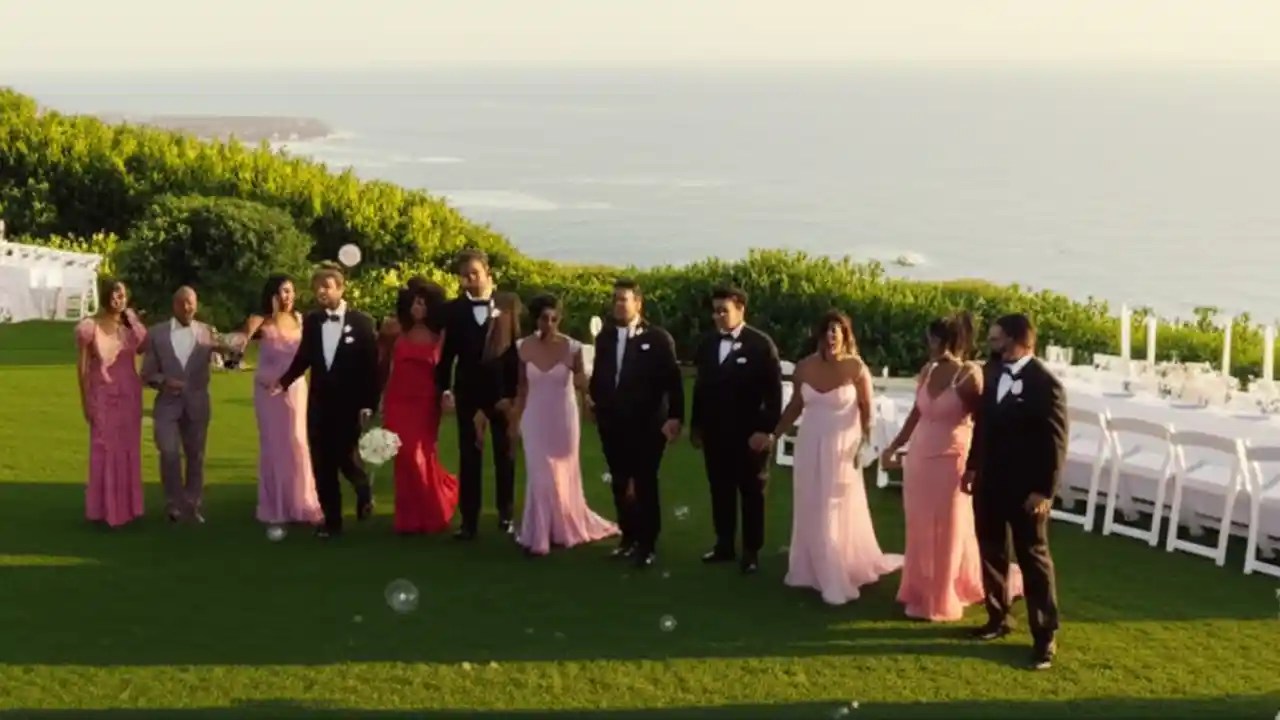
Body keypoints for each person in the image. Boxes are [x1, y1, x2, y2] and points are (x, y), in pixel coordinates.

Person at [883, 313, 1023, 622]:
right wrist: (894, 446)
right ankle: (919, 587)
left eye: (935, 338)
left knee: (948, 527)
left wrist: (978, 464)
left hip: (951, 461)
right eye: (930, 338)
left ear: (951, 341)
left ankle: (943, 592)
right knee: (919, 524)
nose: (930, 344)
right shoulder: (927, 370)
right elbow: (915, 415)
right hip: (919, 458)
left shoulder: (969, 375)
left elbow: (984, 421)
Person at [768, 310, 901, 604]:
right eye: (826, 331)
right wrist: (774, 434)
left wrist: (865, 442)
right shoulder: (804, 367)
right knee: (810, 503)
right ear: (818, 336)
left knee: (832, 506)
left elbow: (867, 407)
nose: (831, 337)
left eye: (836, 331)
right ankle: (809, 566)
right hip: (809, 444)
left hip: (842, 447)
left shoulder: (855, 367)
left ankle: (834, 570)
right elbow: (794, 407)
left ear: (844, 336)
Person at [965, 313, 1067, 670]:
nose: (991, 346)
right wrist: (972, 467)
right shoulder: (991, 372)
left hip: (1027, 492)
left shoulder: (1045, 383)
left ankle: (1044, 636)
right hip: (990, 483)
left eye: (996, 340)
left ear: (1017, 340)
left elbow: (1056, 443)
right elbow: (983, 427)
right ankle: (998, 617)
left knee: (1033, 559)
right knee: (991, 551)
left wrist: (1044, 491)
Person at [274, 266, 380, 539]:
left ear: (341, 289)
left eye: (327, 286)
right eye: (317, 287)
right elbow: (305, 357)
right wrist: (283, 381)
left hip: (350, 405)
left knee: (345, 458)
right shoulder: (312, 321)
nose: (321, 291)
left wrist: (369, 404)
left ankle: (362, 488)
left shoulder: (362, 322)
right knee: (322, 463)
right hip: (320, 404)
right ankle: (332, 522)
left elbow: (371, 367)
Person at [509, 293, 619, 556]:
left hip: (563, 418)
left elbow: (582, 385)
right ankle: (539, 534)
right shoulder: (522, 347)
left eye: (554, 318)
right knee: (540, 474)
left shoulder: (573, 348)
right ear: (535, 319)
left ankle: (561, 526)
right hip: (534, 417)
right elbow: (521, 389)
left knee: (561, 473)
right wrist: (514, 421)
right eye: (544, 319)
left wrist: (589, 402)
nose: (549, 324)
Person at [587, 279, 684, 568]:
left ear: (638, 303)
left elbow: (673, 381)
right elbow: (601, 374)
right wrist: (596, 401)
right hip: (612, 422)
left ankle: (647, 543)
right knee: (619, 482)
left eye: (624, 299)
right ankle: (627, 538)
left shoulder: (657, 338)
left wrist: (675, 417)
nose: (618, 304)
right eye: (615, 299)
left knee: (644, 482)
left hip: (647, 424)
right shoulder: (604, 336)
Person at [690, 285, 782, 574]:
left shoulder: (760, 345)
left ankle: (752, 551)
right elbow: (701, 388)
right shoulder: (706, 344)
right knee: (720, 490)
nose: (718, 316)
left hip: (749, 436)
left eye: (723, 310)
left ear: (740, 309)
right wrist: (697, 425)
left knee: (752, 492)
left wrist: (765, 430)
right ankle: (724, 544)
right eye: (715, 311)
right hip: (716, 433)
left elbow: (774, 394)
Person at [436, 250, 519, 540]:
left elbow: (516, 353)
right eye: (465, 275)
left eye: (475, 273)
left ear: (487, 273)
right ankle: (468, 521)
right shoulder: (453, 310)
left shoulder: (509, 304)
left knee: (505, 456)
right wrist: (444, 388)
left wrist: (514, 394)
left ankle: (506, 515)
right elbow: (446, 355)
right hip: (469, 394)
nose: (470, 279)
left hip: (502, 395)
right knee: (469, 457)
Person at [141, 286, 232, 524]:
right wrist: (163, 381)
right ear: (174, 305)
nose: (187, 307)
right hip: (167, 405)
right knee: (169, 452)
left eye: (191, 302)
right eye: (182, 303)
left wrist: (235, 344)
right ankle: (173, 503)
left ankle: (192, 504)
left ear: (196, 304)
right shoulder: (157, 334)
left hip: (198, 403)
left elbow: (230, 356)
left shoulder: (206, 332)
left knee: (196, 456)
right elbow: (147, 373)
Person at [241, 275, 323, 527]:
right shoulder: (260, 320)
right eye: (282, 292)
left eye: (290, 291)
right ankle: (275, 504)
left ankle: (302, 503)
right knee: (274, 445)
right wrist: (265, 319)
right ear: (272, 295)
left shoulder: (301, 319)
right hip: (267, 391)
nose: (288, 296)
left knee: (298, 442)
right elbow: (238, 347)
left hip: (295, 389)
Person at [380, 280, 459, 534]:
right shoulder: (397, 331)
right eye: (415, 301)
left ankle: (436, 506)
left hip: (425, 401)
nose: (418, 307)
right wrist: (382, 399)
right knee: (403, 457)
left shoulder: (441, 335)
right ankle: (408, 518)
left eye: (423, 303)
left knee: (419, 454)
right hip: (397, 399)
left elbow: (447, 367)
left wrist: (448, 394)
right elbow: (388, 366)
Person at [75, 278, 148, 528]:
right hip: (102, 396)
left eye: (124, 295)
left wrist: (134, 321)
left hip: (129, 397)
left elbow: (145, 346)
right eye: (116, 294)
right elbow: (82, 368)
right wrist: (85, 401)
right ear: (107, 296)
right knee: (104, 450)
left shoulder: (130, 328)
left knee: (127, 450)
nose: (120, 299)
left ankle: (128, 509)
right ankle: (103, 510)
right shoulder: (90, 327)